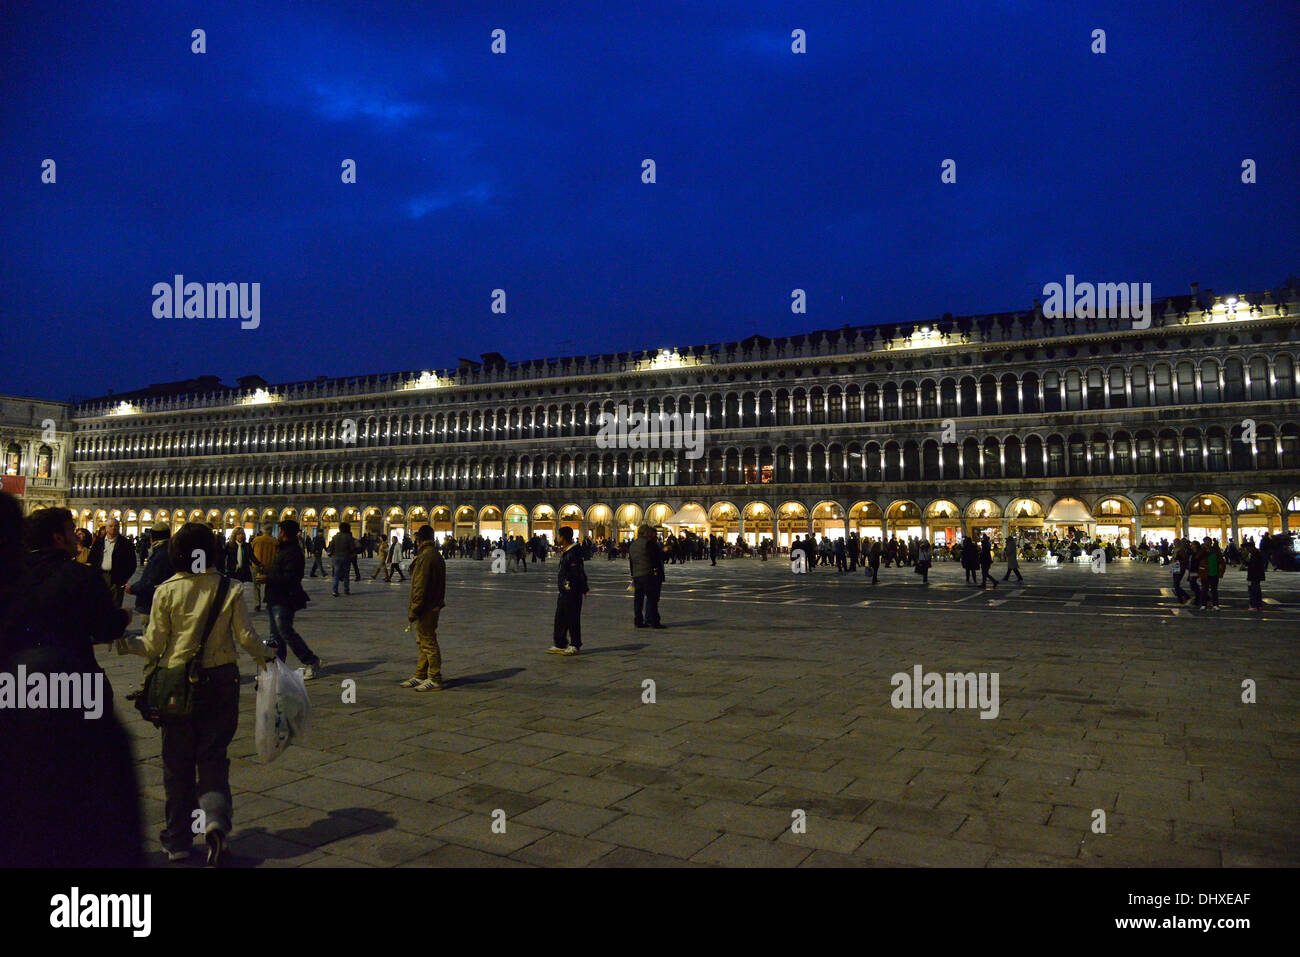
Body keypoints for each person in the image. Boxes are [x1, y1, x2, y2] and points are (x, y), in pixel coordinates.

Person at [119, 522, 275, 865]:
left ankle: (177, 840)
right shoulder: (229, 588)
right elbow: (248, 638)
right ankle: (215, 822)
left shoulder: (166, 591)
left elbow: (154, 645)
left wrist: (125, 644)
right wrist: (267, 656)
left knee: (176, 764)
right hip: (221, 681)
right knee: (213, 758)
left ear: (176, 554)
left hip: (176, 684)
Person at [0, 503, 142, 867]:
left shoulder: (17, 578)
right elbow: (104, 628)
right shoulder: (81, 576)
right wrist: (121, 617)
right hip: (73, 683)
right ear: (57, 537)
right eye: (71, 529)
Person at [265, 519, 322, 678]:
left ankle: (311, 660)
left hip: (285, 597)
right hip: (275, 596)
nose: (280, 533)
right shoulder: (283, 549)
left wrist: (269, 578)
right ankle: (276, 668)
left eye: (282, 530)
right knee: (275, 636)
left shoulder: (293, 552)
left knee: (285, 632)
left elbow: (291, 577)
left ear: (286, 533)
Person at [401, 524, 447, 692]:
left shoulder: (426, 557)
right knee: (423, 642)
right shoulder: (434, 555)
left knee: (428, 642)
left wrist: (414, 610)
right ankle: (421, 675)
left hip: (426, 607)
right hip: (432, 605)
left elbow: (420, 586)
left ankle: (435, 678)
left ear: (419, 540)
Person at [126, 522, 174, 632]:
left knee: (151, 635)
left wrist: (132, 589)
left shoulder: (161, 554)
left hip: (152, 603)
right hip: (162, 601)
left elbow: (151, 580)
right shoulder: (169, 550)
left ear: (153, 537)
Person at [548, 526, 588, 656]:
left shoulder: (574, 552)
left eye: (559, 536)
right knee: (560, 617)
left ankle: (575, 644)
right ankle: (560, 643)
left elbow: (577, 573)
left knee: (573, 618)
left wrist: (574, 587)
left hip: (572, 591)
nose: (557, 539)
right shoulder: (567, 551)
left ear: (564, 538)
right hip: (564, 591)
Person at [88, 517, 137, 608]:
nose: (113, 528)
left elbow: (132, 563)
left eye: (116, 526)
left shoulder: (125, 544)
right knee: (100, 603)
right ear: (106, 528)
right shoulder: (99, 542)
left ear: (119, 528)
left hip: (117, 578)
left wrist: (124, 578)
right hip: (101, 576)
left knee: (115, 605)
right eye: (110, 526)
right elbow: (92, 559)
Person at [629, 523, 666, 629]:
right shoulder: (649, 544)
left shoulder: (633, 544)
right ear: (645, 533)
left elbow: (631, 561)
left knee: (638, 599)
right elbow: (654, 559)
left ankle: (638, 621)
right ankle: (652, 621)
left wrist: (633, 574)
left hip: (637, 575)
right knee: (652, 598)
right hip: (648, 574)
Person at [250, 524, 278, 611]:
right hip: (270, 566)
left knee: (256, 585)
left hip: (257, 565)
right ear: (271, 531)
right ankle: (268, 602)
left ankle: (257, 604)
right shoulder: (275, 541)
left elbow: (251, 551)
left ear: (262, 531)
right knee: (269, 585)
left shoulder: (256, 540)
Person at [328, 522, 357, 597]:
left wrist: (331, 553)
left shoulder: (335, 537)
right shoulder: (348, 537)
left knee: (336, 574)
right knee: (346, 575)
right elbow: (352, 548)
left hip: (336, 557)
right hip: (346, 557)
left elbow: (331, 546)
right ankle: (346, 590)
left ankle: (335, 590)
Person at [1245, 539, 1268, 611]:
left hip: (1254, 575)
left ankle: (1254, 605)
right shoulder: (1257, 554)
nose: (1247, 550)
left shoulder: (1255, 555)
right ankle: (1258, 605)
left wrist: (1246, 562)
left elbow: (1253, 565)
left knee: (1253, 590)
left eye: (1248, 548)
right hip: (1257, 575)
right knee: (1257, 590)